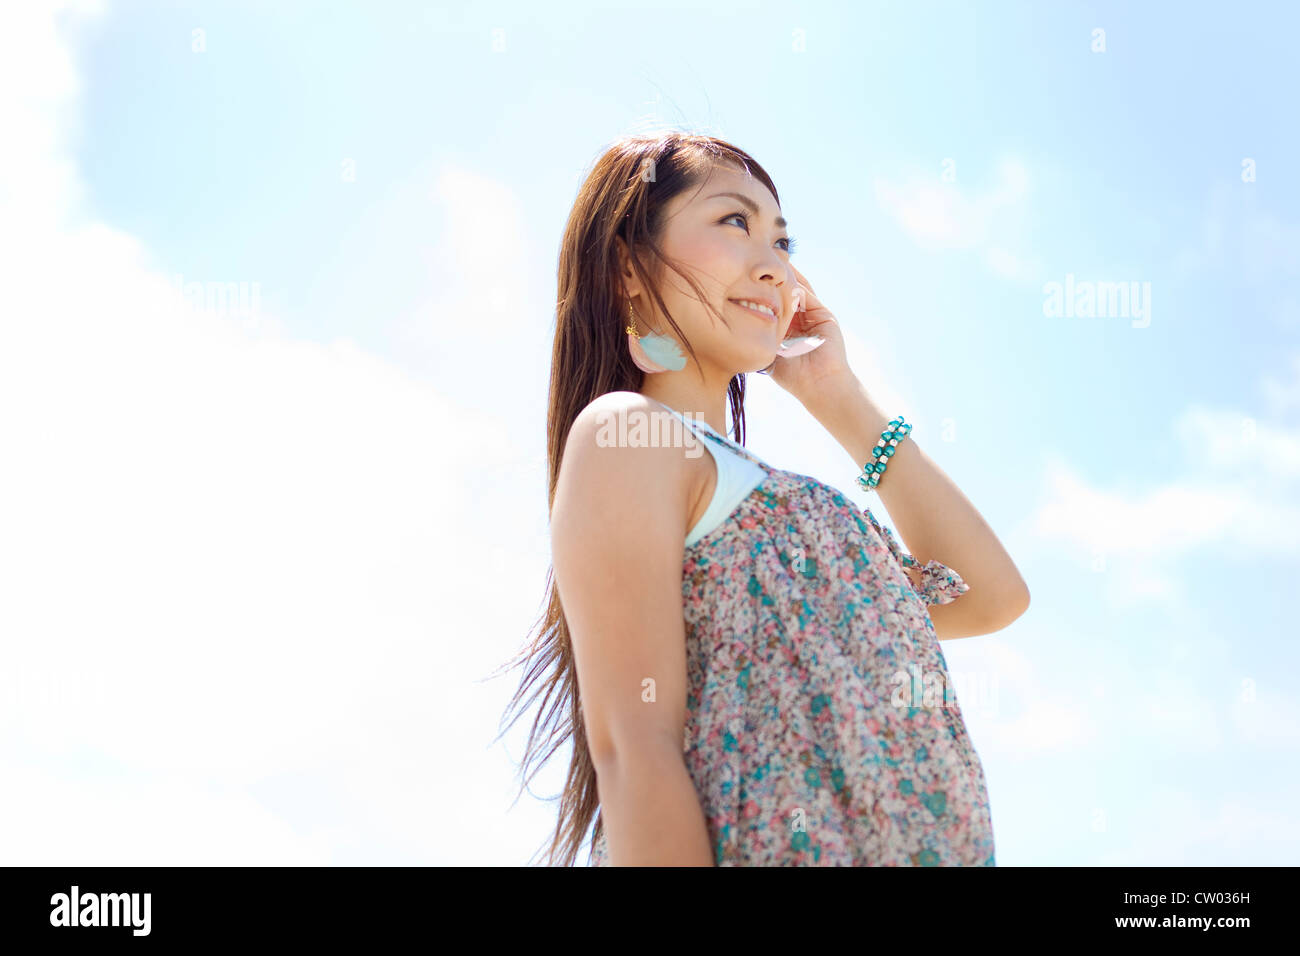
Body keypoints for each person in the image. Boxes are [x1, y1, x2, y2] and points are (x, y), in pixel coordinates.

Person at [493, 131, 1030, 866]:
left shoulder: (797, 508)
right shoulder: (629, 436)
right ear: (626, 266)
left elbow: (992, 596)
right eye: (735, 222)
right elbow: (637, 753)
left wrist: (837, 394)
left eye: (784, 241)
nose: (776, 267)